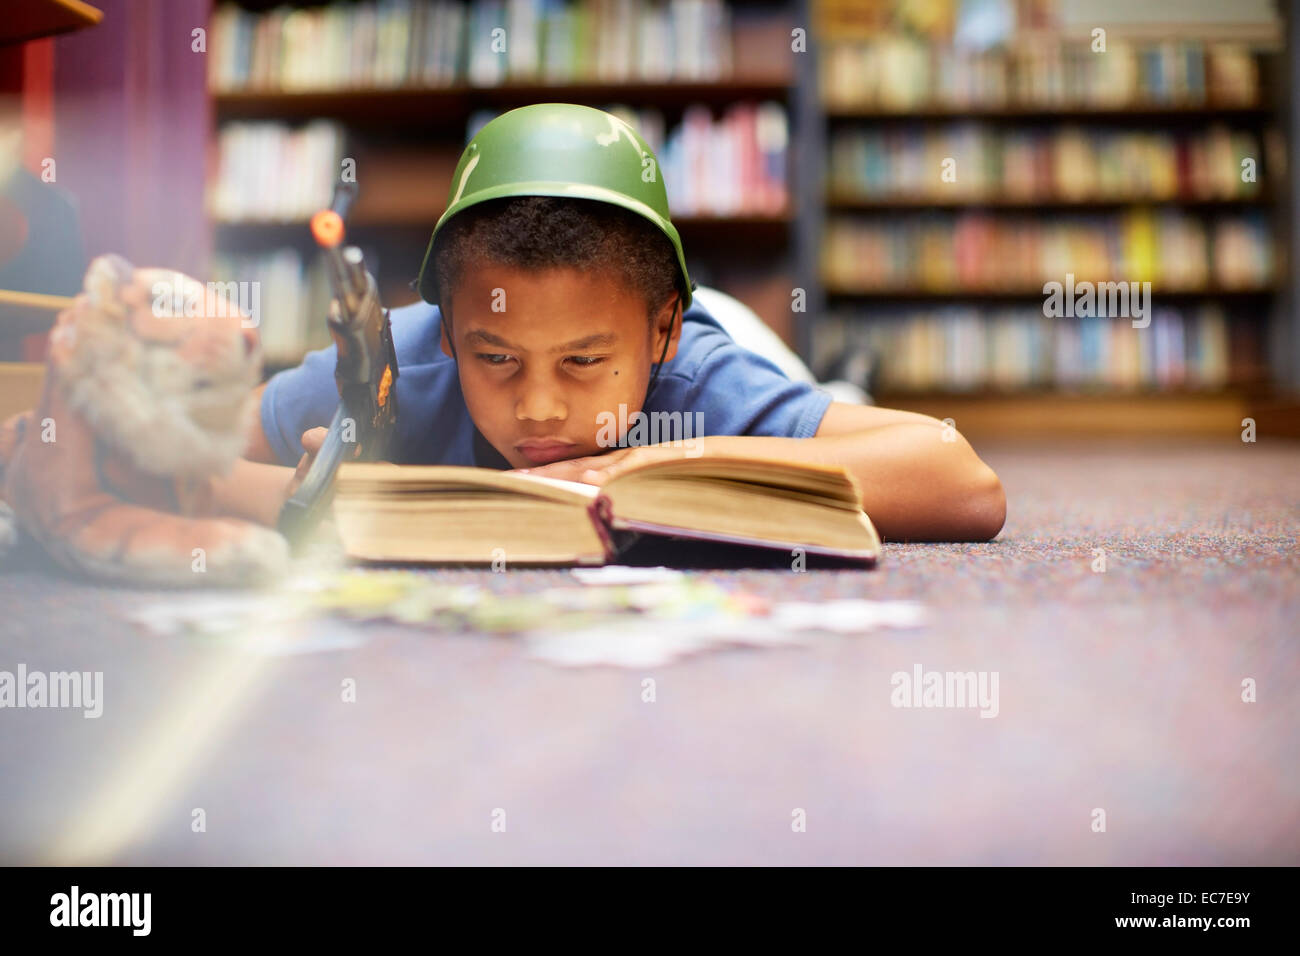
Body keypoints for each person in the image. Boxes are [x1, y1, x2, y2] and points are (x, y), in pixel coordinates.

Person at [225, 103, 1005, 542]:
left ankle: (846, 373)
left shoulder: (694, 374)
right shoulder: (399, 365)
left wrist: (657, 467)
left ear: (658, 332)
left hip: (734, 331)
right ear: (449, 323)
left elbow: (963, 481)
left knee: (823, 396)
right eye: (494, 358)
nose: (538, 408)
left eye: (582, 364)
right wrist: (301, 495)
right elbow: (176, 450)